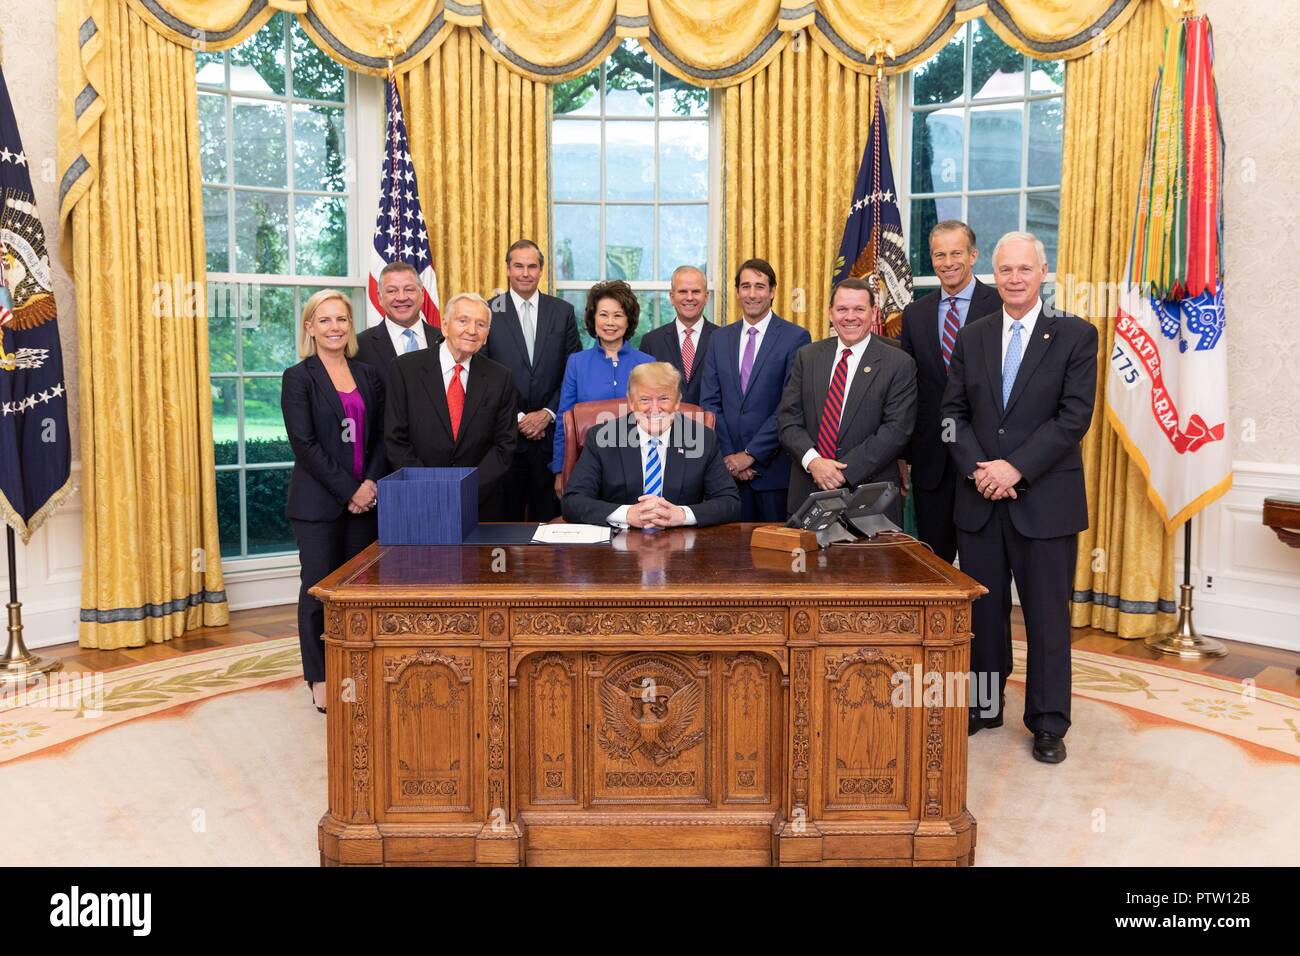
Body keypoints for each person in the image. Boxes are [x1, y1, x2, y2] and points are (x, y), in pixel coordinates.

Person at [940, 231, 1098, 764]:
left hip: (1045, 504)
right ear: (994, 273)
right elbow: (949, 417)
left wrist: (1016, 468)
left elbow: (1074, 418)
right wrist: (982, 471)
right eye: (1005, 270)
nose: (1013, 279)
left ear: (1043, 272)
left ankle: (1049, 722)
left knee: (1047, 617)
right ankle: (984, 704)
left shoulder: (1076, 335)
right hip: (980, 499)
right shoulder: (974, 334)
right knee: (983, 616)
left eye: (1024, 270)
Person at [282, 290, 388, 714]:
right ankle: (321, 677)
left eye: (342, 319)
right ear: (310, 327)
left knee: (358, 593)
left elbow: (380, 436)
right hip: (318, 507)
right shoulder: (299, 377)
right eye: (324, 320)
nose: (334, 327)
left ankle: (356, 670)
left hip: (368, 501)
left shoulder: (368, 374)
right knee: (319, 591)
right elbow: (305, 445)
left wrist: (370, 484)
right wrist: (350, 490)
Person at [900, 221, 1002, 563]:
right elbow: (908, 389)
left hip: (985, 453)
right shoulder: (915, 314)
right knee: (935, 561)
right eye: (939, 254)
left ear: (973, 256)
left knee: (983, 561)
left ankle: (981, 620)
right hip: (932, 457)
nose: (948, 262)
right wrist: (905, 453)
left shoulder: (1000, 305)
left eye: (956, 253)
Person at [778, 278, 917, 523]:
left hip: (870, 500)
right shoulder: (807, 356)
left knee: (868, 563)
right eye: (842, 309)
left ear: (873, 313)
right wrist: (815, 463)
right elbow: (788, 419)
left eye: (858, 309)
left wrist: (841, 472)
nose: (849, 317)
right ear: (831, 313)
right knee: (806, 563)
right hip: (808, 492)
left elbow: (896, 431)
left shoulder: (898, 363)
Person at [385, 292, 518, 519]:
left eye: (481, 324)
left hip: (480, 503)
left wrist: (467, 489)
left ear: (486, 335)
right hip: (419, 501)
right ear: (445, 326)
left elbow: (504, 445)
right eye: (463, 321)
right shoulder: (405, 369)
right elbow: (395, 439)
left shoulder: (501, 377)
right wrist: (432, 489)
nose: (472, 330)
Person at [698, 258, 811, 521]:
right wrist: (729, 457)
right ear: (736, 292)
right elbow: (710, 402)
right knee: (729, 557)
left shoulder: (796, 338)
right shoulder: (719, 339)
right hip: (726, 476)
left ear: (772, 292)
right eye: (745, 286)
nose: (752, 294)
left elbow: (789, 406)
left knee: (772, 556)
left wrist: (750, 456)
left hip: (772, 473)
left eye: (760, 286)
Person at [562, 362, 739, 528]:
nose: (655, 409)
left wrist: (682, 515)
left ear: (677, 401)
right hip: (618, 545)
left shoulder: (702, 438)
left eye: (664, 398)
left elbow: (730, 502)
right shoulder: (601, 437)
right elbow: (573, 502)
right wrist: (627, 515)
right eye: (645, 399)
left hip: (681, 545)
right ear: (631, 402)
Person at [484, 239, 582, 521]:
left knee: (550, 521)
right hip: (505, 437)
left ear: (541, 271)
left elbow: (571, 371)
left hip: (551, 438)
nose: (525, 273)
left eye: (532, 266)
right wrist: (518, 417)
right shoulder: (490, 311)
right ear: (507, 269)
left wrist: (547, 414)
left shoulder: (561, 311)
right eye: (518, 266)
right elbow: (483, 374)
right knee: (506, 522)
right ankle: (505, 568)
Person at [550, 279, 655, 492]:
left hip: (639, 468)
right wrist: (560, 470)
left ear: (628, 321)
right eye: (603, 314)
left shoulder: (647, 363)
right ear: (593, 318)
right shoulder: (576, 363)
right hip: (587, 467)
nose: (610, 322)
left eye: (618, 315)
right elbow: (564, 419)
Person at [355, 260, 443, 391]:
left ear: (422, 294)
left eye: (409, 289)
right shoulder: (360, 346)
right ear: (379, 297)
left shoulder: (444, 340)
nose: (401, 297)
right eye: (392, 291)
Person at [638, 265, 717, 407]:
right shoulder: (651, 342)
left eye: (696, 291)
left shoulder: (723, 340)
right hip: (664, 426)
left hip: (710, 426)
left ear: (706, 297)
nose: (689, 297)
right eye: (682, 291)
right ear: (671, 297)